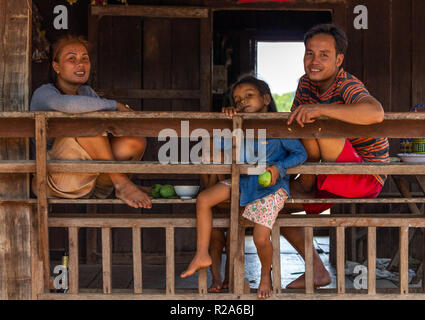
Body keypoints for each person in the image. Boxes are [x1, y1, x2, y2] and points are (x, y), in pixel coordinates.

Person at [281, 23, 389, 289]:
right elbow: (296, 127)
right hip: (327, 171)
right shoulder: (305, 84)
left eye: (324, 54)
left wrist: (322, 110)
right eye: (309, 53)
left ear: (339, 59)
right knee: (271, 207)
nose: (314, 61)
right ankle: (317, 271)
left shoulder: (347, 84)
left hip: (365, 174)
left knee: (321, 124)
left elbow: (375, 113)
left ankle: (306, 183)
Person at [180, 75, 308, 299]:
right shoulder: (238, 126)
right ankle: (201, 254)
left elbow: (300, 154)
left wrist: (279, 167)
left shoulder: (279, 125)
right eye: (237, 100)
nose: (242, 102)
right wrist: (225, 122)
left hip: (271, 188)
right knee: (203, 199)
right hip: (243, 181)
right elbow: (215, 150)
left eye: (249, 96)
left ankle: (265, 276)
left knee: (260, 238)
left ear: (266, 99)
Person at [30, 34, 152, 209]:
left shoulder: (87, 93)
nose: (80, 64)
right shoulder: (44, 93)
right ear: (56, 66)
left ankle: (118, 184)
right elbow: (68, 105)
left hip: (94, 181)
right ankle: (122, 183)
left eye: (84, 59)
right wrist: (115, 105)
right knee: (84, 125)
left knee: (134, 142)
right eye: (71, 59)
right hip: (59, 181)